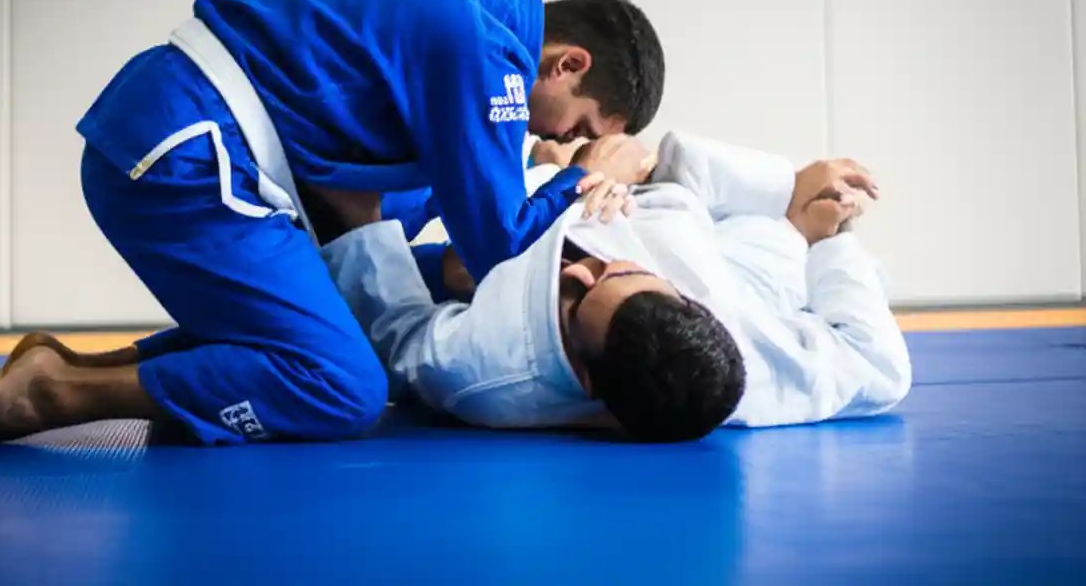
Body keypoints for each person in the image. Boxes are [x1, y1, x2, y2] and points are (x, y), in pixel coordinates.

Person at [0, 0, 664, 446]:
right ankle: (66, 393)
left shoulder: (475, 30)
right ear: (568, 64)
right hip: (187, 156)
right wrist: (583, 176)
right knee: (344, 390)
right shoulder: (485, 56)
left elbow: (453, 210)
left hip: (183, 137)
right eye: (580, 124)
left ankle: (75, 363)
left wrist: (542, 171)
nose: (562, 137)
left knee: (409, 228)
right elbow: (502, 244)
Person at [317, 130, 911, 441]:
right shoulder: (741, 362)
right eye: (616, 271)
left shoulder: (485, 373)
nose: (585, 267)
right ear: (685, 298)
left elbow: (399, 333)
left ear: (591, 391)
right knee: (793, 202)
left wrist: (359, 214)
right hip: (747, 254)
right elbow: (882, 369)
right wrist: (825, 232)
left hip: (502, 249)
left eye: (579, 298)